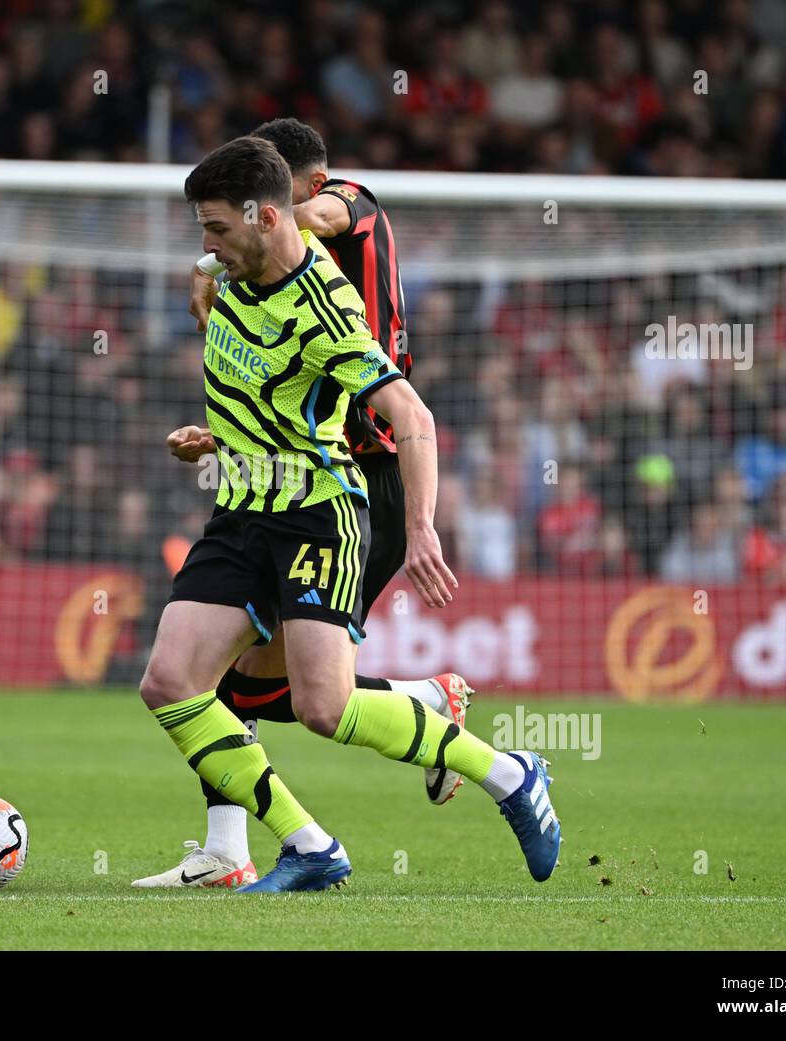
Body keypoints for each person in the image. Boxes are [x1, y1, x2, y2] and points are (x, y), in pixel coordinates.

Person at [137, 136, 561, 893]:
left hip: (317, 519)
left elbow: (413, 413)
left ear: (267, 216)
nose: (206, 249)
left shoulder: (325, 307)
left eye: (216, 231)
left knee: (323, 705)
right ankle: (307, 845)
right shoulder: (232, 275)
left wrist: (424, 525)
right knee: (171, 679)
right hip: (239, 511)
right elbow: (264, 381)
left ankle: (508, 773)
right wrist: (217, 438)